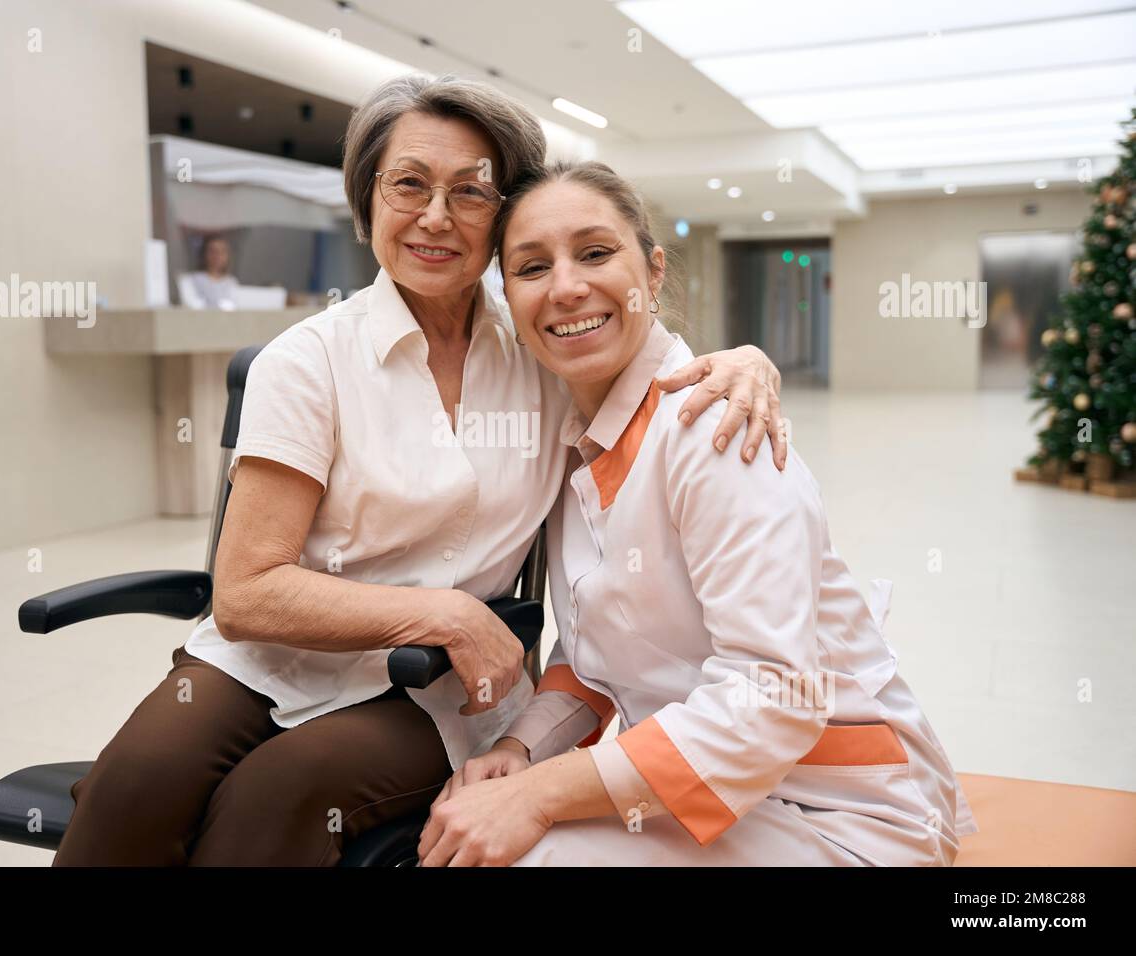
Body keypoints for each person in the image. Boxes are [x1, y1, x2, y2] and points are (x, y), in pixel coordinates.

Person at [52, 76, 785, 867]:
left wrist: (745, 359)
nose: (436, 217)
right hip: (271, 657)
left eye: (471, 193)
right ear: (368, 198)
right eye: (409, 184)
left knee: (273, 798)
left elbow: (633, 346)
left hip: (439, 690)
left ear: (501, 218)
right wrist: (446, 612)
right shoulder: (308, 361)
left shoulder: (539, 349)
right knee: (131, 785)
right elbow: (246, 591)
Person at [417, 161, 978, 867]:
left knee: (523, 853)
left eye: (595, 253)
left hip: (841, 813)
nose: (566, 287)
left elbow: (771, 698)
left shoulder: (716, 429)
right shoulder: (577, 440)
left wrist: (541, 793)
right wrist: (520, 748)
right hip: (721, 792)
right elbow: (594, 652)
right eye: (532, 267)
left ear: (653, 273)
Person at [190, 235, 239, 309]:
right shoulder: (194, 279)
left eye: (222, 252)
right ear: (204, 254)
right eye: (213, 251)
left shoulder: (232, 282)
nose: (217, 256)